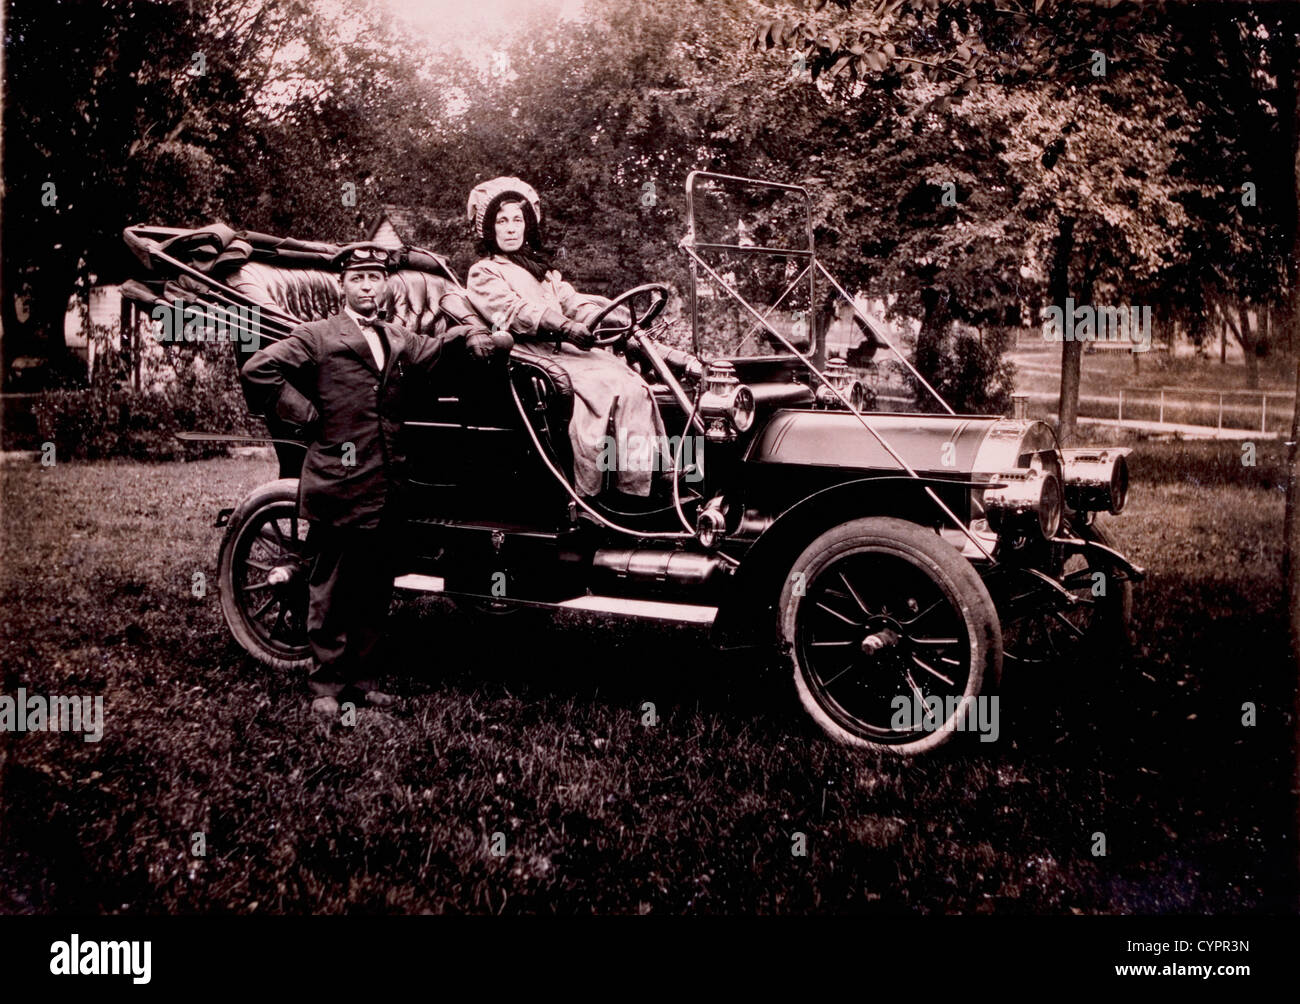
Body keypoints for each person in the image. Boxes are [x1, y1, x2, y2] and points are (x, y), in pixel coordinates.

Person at [240, 243, 510, 715]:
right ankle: (326, 686)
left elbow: (437, 349)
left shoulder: (397, 336)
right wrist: (304, 414)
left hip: (387, 484)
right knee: (329, 586)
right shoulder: (319, 336)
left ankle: (363, 682)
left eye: (375, 278)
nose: (367, 286)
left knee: (374, 585)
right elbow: (259, 369)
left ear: (385, 284)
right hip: (338, 480)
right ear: (343, 285)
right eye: (358, 278)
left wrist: (473, 335)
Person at [465, 176, 674, 498]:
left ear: (527, 226)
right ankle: (593, 490)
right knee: (604, 388)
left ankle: (639, 480)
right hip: (530, 353)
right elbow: (510, 310)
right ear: (489, 229)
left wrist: (598, 320)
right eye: (501, 221)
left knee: (634, 383)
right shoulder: (484, 271)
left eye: (517, 220)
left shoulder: (542, 271)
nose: (510, 228)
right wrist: (562, 327)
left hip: (565, 350)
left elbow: (572, 301)